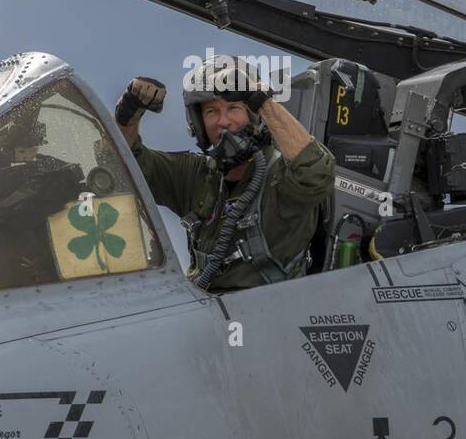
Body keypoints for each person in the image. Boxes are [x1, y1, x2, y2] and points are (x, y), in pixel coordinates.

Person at [114, 55, 335, 291]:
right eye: (211, 111)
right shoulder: (197, 176)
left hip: (270, 315)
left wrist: (261, 100)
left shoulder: (281, 179)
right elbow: (124, 168)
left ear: (253, 114)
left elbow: (317, 173)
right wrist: (128, 115)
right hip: (208, 315)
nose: (223, 121)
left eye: (234, 108)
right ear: (199, 123)